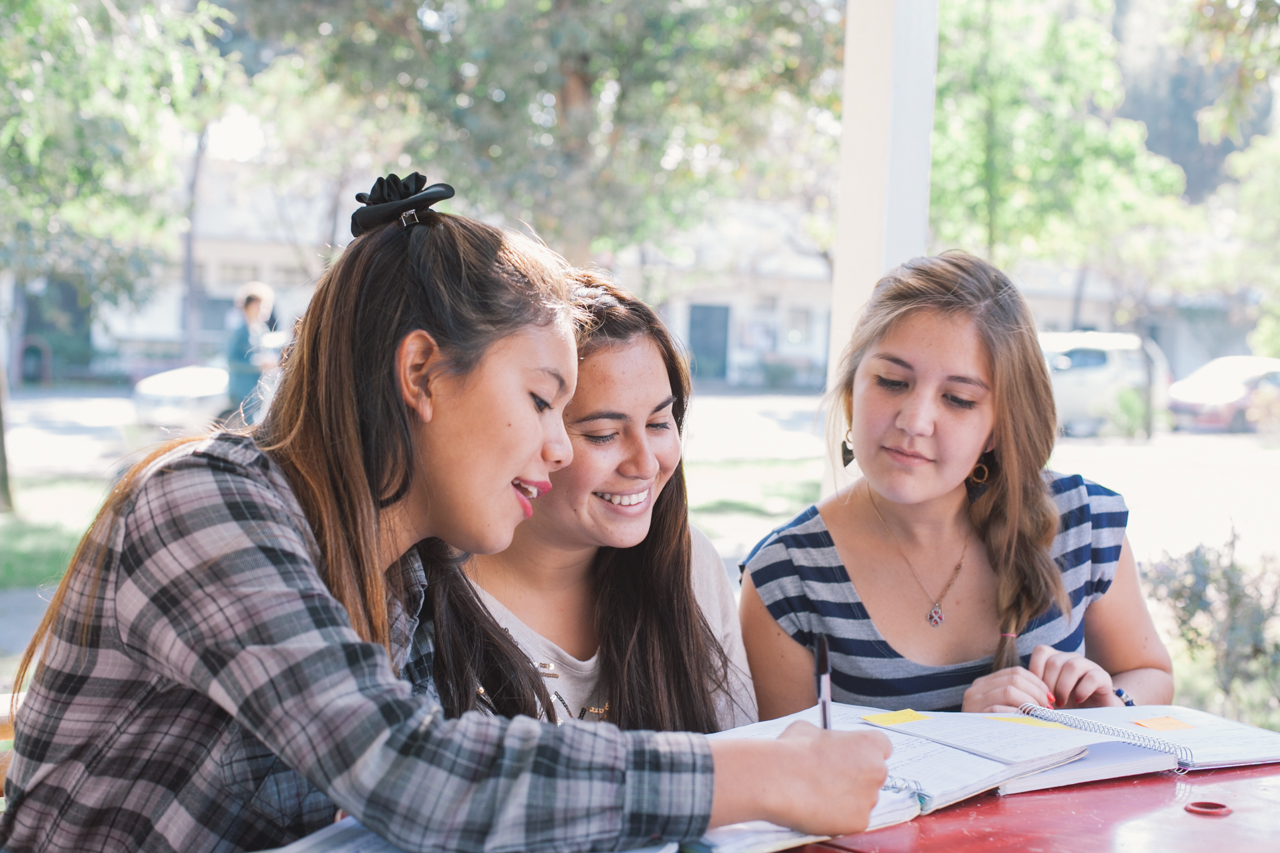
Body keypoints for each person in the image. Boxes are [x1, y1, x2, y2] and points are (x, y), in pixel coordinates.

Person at [0, 174, 890, 853]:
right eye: (544, 401)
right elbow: (410, 772)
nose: (556, 448)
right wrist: (753, 772)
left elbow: (468, 804)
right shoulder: (207, 502)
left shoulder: (412, 576)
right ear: (421, 372)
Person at [740, 252, 1174, 719]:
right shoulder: (785, 577)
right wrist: (962, 737)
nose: (915, 421)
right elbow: (785, 774)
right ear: (851, 392)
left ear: (998, 428)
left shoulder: (1082, 521)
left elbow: (1151, 673)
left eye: (958, 399)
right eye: (891, 382)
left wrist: (1107, 704)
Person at [461, 272, 756, 733]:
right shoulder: (425, 593)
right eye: (603, 435)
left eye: (660, 423)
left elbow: (740, 761)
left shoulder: (689, 561)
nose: (645, 464)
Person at [225, 281, 276, 422]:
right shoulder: (239, 331)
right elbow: (232, 360)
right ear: (250, 306)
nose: (265, 309)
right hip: (242, 390)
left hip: (259, 390)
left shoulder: (261, 330)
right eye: (261, 305)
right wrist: (257, 364)